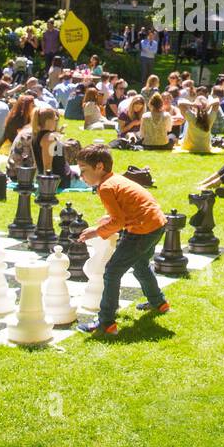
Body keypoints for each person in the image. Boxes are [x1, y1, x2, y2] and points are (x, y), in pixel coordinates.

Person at [73, 144, 169, 336]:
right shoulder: (116, 179)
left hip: (142, 229)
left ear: (99, 166)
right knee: (141, 265)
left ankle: (106, 322)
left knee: (112, 271)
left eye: (84, 171)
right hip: (157, 224)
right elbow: (125, 211)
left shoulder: (106, 187)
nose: (81, 176)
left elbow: (118, 222)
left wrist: (97, 231)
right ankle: (159, 302)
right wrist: (108, 221)